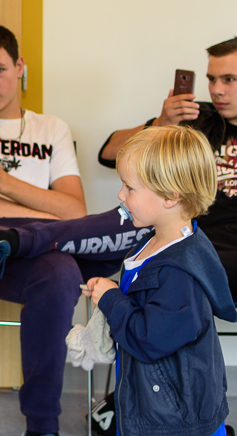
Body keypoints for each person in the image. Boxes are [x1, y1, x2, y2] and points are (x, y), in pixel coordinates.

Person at [0, 22, 132, 436]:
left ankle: (40, 433)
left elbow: (74, 208)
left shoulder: (51, 128)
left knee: (120, 231)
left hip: (45, 247)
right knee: (65, 261)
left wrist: (0, 182)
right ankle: (42, 431)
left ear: (20, 67)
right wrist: (47, 217)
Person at [84, 126, 236, 436]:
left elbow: (149, 339)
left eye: (129, 187)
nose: (121, 196)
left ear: (170, 196)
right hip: (154, 410)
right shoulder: (161, 241)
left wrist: (111, 299)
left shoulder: (179, 273)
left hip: (169, 429)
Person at [97, 37, 237, 300]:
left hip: (211, 252)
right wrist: (162, 122)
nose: (216, 90)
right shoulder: (196, 117)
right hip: (181, 234)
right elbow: (107, 153)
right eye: (212, 79)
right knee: (97, 231)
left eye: (229, 79)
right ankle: (19, 242)